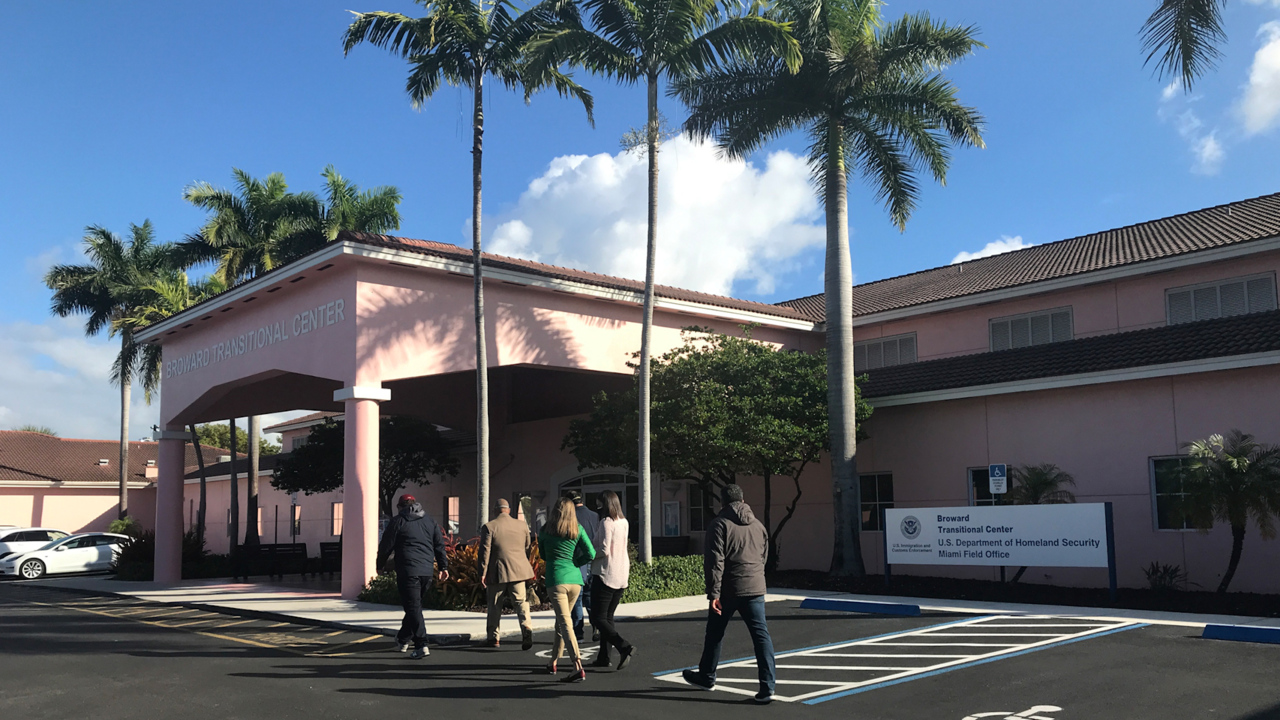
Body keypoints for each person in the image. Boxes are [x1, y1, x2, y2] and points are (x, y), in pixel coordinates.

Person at [682, 484, 776, 704]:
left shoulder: (719, 525)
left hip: (728, 589)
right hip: (755, 587)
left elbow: (715, 561)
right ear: (743, 501)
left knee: (715, 633)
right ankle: (767, 686)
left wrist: (713, 593)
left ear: (722, 502)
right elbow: (764, 556)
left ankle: (706, 676)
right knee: (761, 636)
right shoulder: (759, 526)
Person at [376, 494, 449, 659]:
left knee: (413, 607)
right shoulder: (430, 521)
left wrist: (379, 566)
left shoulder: (398, 521)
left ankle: (421, 644)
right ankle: (403, 639)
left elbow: (385, 546)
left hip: (408, 571)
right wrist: (443, 566)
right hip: (427, 572)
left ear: (400, 507)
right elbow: (439, 545)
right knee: (414, 607)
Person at [538, 497, 596, 683]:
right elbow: (591, 554)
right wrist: (576, 562)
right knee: (562, 622)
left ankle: (577, 664)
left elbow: (543, 555)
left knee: (565, 622)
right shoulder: (577, 529)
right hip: (575, 581)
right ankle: (553, 660)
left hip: (556, 579)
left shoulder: (546, 530)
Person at [477, 498, 535, 650]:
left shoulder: (490, 527)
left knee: (495, 605)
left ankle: (493, 638)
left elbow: (485, 552)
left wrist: (482, 573)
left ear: (495, 510)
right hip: (518, 571)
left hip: (498, 572)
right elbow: (528, 547)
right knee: (521, 602)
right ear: (508, 510)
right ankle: (526, 628)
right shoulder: (522, 525)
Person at [588, 490, 635, 670]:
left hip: (605, 573)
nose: (597, 505)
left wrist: (590, 554)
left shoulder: (606, 522)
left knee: (598, 617)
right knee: (608, 617)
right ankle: (604, 657)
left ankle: (624, 646)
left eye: (599, 502)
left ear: (605, 503)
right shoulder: (624, 522)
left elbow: (605, 549)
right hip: (621, 573)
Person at [569, 490, 602, 641]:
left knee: (577, 597)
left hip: (576, 560)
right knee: (590, 596)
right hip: (592, 558)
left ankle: (579, 632)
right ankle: (596, 626)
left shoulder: (570, 517)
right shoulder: (595, 516)